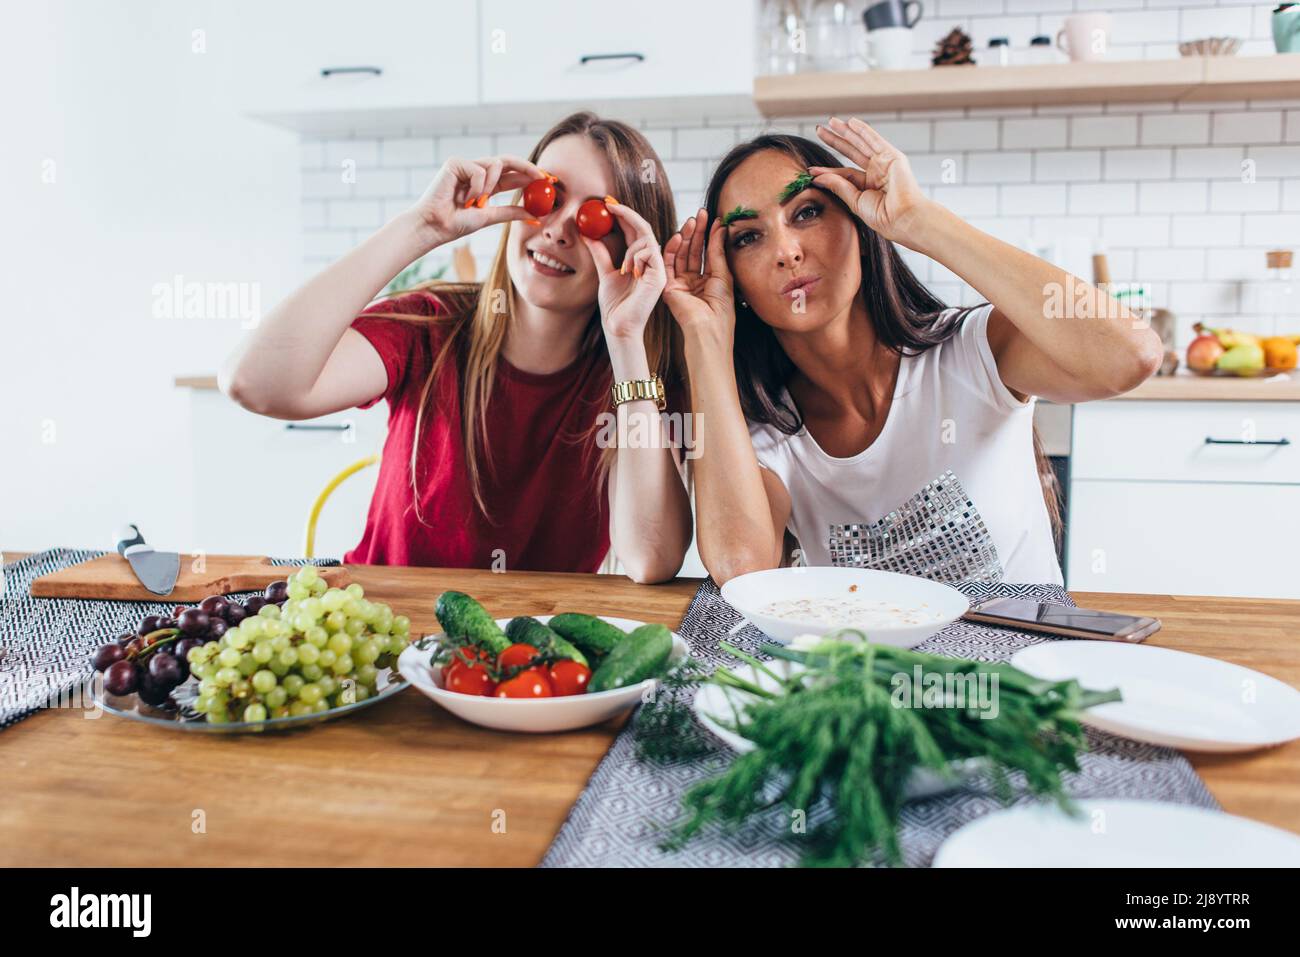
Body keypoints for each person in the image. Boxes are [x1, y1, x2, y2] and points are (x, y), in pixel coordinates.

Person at [662, 116, 1162, 586]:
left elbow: (1130, 357)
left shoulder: (972, 351)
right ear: (735, 279)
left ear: (860, 229)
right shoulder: (766, 432)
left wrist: (919, 221)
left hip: (1026, 670)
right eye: (749, 237)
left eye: (808, 212)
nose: (786, 251)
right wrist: (705, 334)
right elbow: (741, 568)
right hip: (871, 677)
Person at [220, 112, 691, 581]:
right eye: (546, 196)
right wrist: (421, 228)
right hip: (385, 630)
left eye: (596, 218)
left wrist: (627, 338)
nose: (558, 229)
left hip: (528, 646)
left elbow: (651, 558)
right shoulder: (430, 325)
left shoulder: (635, 381)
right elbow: (253, 382)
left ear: (631, 248)